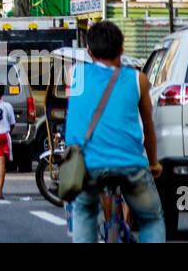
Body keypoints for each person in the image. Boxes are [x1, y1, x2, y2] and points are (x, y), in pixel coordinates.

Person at [65, 20, 165, 244]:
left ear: (89, 52)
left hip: (87, 165)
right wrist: (154, 163)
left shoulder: (74, 74)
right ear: (122, 50)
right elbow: (148, 126)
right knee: (152, 219)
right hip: (131, 164)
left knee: (84, 211)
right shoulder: (138, 79)